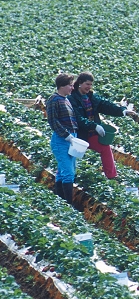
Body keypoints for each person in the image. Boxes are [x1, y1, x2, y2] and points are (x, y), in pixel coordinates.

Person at [69, 72, 136, 180]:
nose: (89, 87)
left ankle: (112, 176)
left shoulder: (90, 97)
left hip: (91, 133)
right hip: (78, 135)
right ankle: (66, 177)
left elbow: (105, 105)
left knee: (105, 147)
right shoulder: (72, 98)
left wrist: (122, 111)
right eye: (87, 84)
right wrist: (94, 126)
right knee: (72, 156)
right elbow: (78, 119)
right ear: (80, 83)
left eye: (91, 84)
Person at [46, 73, 78, 204]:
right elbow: (53, 121)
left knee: (64, 171)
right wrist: (66, 135)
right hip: (61, 140)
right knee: (68, 173)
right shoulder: (54, 100)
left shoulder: (66, 99)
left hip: (72, 138)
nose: (72, 88)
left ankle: (59, 202)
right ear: (62, 86)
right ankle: (68, 204)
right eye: (70, 85)